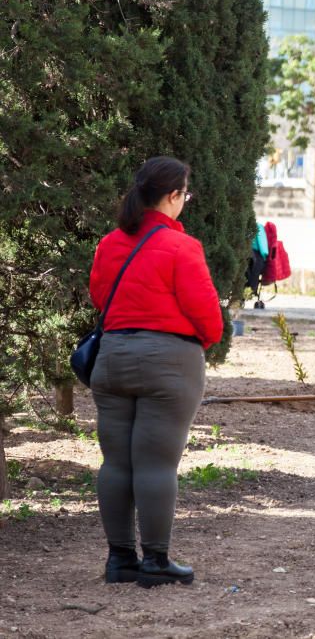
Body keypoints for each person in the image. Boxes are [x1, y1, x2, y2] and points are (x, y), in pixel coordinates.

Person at [89, 156, 223, 586]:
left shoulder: (110, 243)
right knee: (156, 464)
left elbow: (99, 296)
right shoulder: (182, 247)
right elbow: (209, 320)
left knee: (115, 462)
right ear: (172, 196)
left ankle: (119, 559)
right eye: (185, 193)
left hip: (111, 357)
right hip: (168, 360)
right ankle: (156, 561)